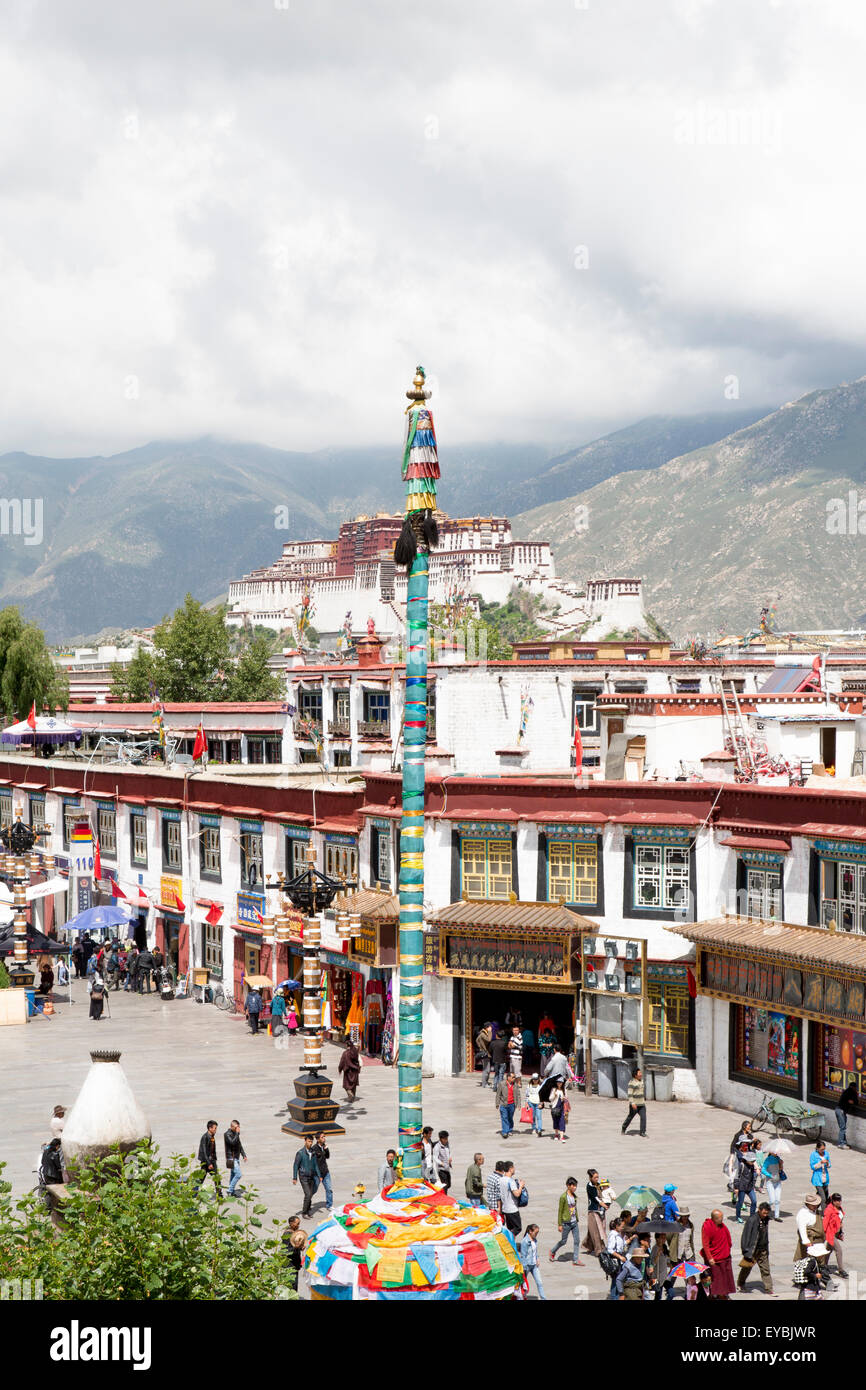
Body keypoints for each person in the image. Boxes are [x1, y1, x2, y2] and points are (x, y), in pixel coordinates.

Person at [738, 1201, 775, 1296]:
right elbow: (745, 1236)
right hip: (752, 1249)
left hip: (763, 1249)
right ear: (759, 1210)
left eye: (767, 1213)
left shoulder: (766, 1219)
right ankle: (741, 1283)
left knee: (765, 1269)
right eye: (764, 1213)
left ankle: (768, 1288)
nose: (765, 1215)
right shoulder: (752, 1220)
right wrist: (745, 1250)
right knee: (746, 1268)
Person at [700, 1209, 735, 1299]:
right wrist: (709, 1257)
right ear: (714, 1219)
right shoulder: (707, 1227)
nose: (722, 1219)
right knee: (716, 1280)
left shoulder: (722, 1226)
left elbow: (728, 1239)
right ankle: (714, 1295)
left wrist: (727, 1249)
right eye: (720, 1218)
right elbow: (705, 1244)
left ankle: (723, 1294)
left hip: (724, 1257)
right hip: (715, 1259)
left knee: (725, 1279)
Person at [550, 1176, 584, 1265]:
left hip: (574, 1222)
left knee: (577, 1240)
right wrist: (559, 1224)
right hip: (566, 1223)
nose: (575, 1188)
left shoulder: (574, 1196)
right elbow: (560, 1211)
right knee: (563, 1241)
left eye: (575, 1186)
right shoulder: (563, 1197)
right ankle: (553, 1251)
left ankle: (575, 1260)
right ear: (568, 1186)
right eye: (573, 1186)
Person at [615, 1234, 652, 1300]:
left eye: (642, 1258)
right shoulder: (628, 1266)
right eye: (639, 1258)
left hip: (640, 1288)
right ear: (634, 1257)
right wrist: (621, 1293)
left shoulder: (640, 1264)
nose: (640, 1260)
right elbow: (619, 1279)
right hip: (631, 1290)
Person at [292, 1134, 319, 1216]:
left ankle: (308, 1210)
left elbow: (315, 1164)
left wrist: (319, 1175)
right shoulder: (300, 1153)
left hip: (311, 1176)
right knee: (308, 1194)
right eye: (309, 1141)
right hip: (303, 1176)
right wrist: (295, 1177)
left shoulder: (313, 1152)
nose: (310, 1143)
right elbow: (296, 1165)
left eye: (311, 1142)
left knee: (310, 1194)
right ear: (305, 1141)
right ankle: (304, 1212)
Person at [823, 1192, 847, 1278]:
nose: (839, 1202)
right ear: (832, 1201)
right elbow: (825, 1222)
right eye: (836, 1200)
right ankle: (841, 1270)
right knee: (839, 1250)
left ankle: (823, 1265)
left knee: (828, 1250)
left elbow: (840, 1220)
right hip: (830, 1233)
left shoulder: (839, 1208)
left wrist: (841, 1231)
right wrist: (824, 1233)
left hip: (836, 1232)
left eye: (840, 1200)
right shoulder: (829, 1210)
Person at [582, 1169, 606, 1255]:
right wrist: (602, 1203)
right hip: (593, 1210)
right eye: (595, 1177)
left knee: (595, 1230)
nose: (597, 1179)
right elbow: (595, 1197)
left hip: (601, 1211)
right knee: (595, 1231)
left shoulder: (599, 1185)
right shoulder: (589, 1187)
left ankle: (589, 1246)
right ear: (590, 1178)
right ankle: (599, 1250)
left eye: (597, 1177)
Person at [794, 1192, 824, 1260]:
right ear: (808, 1204)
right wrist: (807, 1243)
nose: (815, 1206)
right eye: (813, 1205)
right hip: (810, 1241)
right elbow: (802, 1230)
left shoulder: (815, 1211)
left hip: (819, 1240)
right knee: (809, 1261)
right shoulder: (802, 1214)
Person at [520, 1225, 547, 1300]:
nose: (536, 1234)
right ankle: (521, 1297)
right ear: (530, 1231)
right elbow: (523, 1256)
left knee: (540, 1283)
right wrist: (524, 1268)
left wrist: (537, 1258)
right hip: (527, 1265)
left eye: (537, 1233)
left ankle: (543, 1298)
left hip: (534, 1265)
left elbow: (535, 1251)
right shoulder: (524, 1242)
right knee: (523, 1284)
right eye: (536, 1233)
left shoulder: (535, 1240)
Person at [499, 1161, 524, 1237]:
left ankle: (511, 1244)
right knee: (517, 1228)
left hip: (505, 1209)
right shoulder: (510, 1181)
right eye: (513, 1167)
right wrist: (521, 1186)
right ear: (510, 1169)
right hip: (512, 1209)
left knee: (510, 1228)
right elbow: (517, 1194)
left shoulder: (501, 1179)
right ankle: (508, 1239)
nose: (514, 1169)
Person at [760, 1148, 786, 1220]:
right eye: (774, 1151)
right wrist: (770, 1175)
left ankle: (777, 1216)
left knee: (778, 1200)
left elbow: (780, 1170)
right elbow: (763, 1170)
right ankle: (763, 1207)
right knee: (772, 1200)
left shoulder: (778, 1159)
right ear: (770, 1152)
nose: (776, 1152)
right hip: (770, 1182)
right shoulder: (768, 1160)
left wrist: (781, 1164)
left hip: (778, 1181)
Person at [605, 1216, 627, 1298]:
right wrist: (620, 1257)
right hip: (615, 1262)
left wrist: (630, 1238)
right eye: (622, 1226)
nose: (623, 1228)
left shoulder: (619, 1234)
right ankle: (614, 1297)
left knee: (618, 1281)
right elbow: (610, 1249)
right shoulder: (613, 1235)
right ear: (617, 1226)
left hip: (620, 1262)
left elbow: (624, 1244)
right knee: (616, 1281)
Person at [197, 1121, 222, 1194]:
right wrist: (209, 1163)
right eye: (215, 1128)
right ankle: (194, 1192)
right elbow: (204, 1152)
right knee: (201, 1179)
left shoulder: (212, 1136)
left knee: (217, 1178)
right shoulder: (205, 1137)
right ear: (210, 1128)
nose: (215, 1130)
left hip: (212, 1161)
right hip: (206, 1162)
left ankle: (219, 1194)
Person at [224, 1119, 247, 1197]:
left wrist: (244, 1155)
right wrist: (237, 1133)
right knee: (238, 1174)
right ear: (232, 1127)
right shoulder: (227, 1134)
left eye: (239, 1127)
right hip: (231, 1158)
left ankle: (231, 1192)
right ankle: (230, 1190)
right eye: (236, 1127)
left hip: (236, 1158)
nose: (238, 1129)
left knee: (233, 1175)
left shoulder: (236, 1134)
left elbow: (239, 1145)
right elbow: (232, 1143)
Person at [495, 1070, 522, 1139]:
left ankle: (510, 1129)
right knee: (504, 1118)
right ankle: (505, 1132)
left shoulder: (515, 1085)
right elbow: (498, 1094)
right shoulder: (502, 1084)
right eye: (513, 1077)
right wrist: (497, 1103)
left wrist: (519, 1104)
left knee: (510, 1118)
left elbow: (518, 1095)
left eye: (514, 1077)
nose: (514, 1079)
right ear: (508, 1077)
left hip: (512, 1105)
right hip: (504, 1104)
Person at [733, 1149, 758, 1222]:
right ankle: (738, 1216)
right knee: (740, 1202)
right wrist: (736, 1187)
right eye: (752, 1161)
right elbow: (736, 1176)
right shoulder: (741, 1165)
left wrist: (753, 1184)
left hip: (749, 1187)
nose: (753, 1162)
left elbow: (752, 1176)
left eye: (754, 1161)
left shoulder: (752, 1166)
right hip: (742, 1187)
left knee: (754, 1201)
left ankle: (752, 1216)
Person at [621, 1067, 647, 1136]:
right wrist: (632, 1103)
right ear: (635, 1075)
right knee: (630, 1117)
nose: (641, 1074)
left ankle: (642, 1132)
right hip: (634, 1104)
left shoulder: (641, 1081)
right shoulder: (631, 1083)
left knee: (643, 1117)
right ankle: (623, 1127)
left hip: (641, 1104)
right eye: (639, 1073)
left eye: (641, 1072)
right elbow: (630, 1094)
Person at [312, 1132, 333, 1211]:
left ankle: (329, 1205)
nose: (324, 1138)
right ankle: (307, 1201)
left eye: (324, 1137)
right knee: (314, 1190)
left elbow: (327, 1157)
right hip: (317, 1174)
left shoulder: (324, 1146)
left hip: (325, 1172)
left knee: (329, 1189)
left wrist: (326, 1149)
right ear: (317, 1139)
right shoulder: (314, 1149)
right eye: (322, 1137)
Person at [650, 1231, 674, 1301]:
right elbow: (652, 1263)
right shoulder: (655, 1248)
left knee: (671, 1293)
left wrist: (670, 1265)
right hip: (658, 1278)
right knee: (658, 1297)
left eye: (664, 1238)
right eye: (662, 1238)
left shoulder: (665, 1247)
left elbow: (666, 1261)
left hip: (665, 1277)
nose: (664, 1239)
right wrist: (658, 1254)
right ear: (657, 1239)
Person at [835, 1082, 857, 1149]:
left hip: (839, 1110)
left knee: (843, 1127)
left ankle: (843, 1142)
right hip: (841, 1111)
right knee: (843, 1128)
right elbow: (855, 1102)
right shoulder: (850, 1092)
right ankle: (841, 1143)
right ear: (854, 1087)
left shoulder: (847, 1091)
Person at [810, 1141, 831, 1208]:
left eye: (824, 1149)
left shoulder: (826, 1154)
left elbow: (829, 1165)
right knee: (823, 1198)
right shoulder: (813, 1155)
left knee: (823, 1195)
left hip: (825, 1177)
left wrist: (827, 1163)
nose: (823, 1151)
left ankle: (813, 1207)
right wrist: (820, 1162)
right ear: (817, 1148)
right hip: (817, 1178)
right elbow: (813, 1167)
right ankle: (825, 1213)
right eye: (821, 1149)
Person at [475, 1022, 493, 1087]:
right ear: (487, 1027)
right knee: (486, 1069)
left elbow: (477, 1040)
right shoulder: (483, 1034)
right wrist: (490, 1032)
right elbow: (489, 1039)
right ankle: (484, 1083)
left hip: (485, 1052)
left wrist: (480, 1046)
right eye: (490, 1027)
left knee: (487, 1068)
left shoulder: (482, 1033)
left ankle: (485, 1082)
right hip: (485, 1053)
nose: (491, 1028)